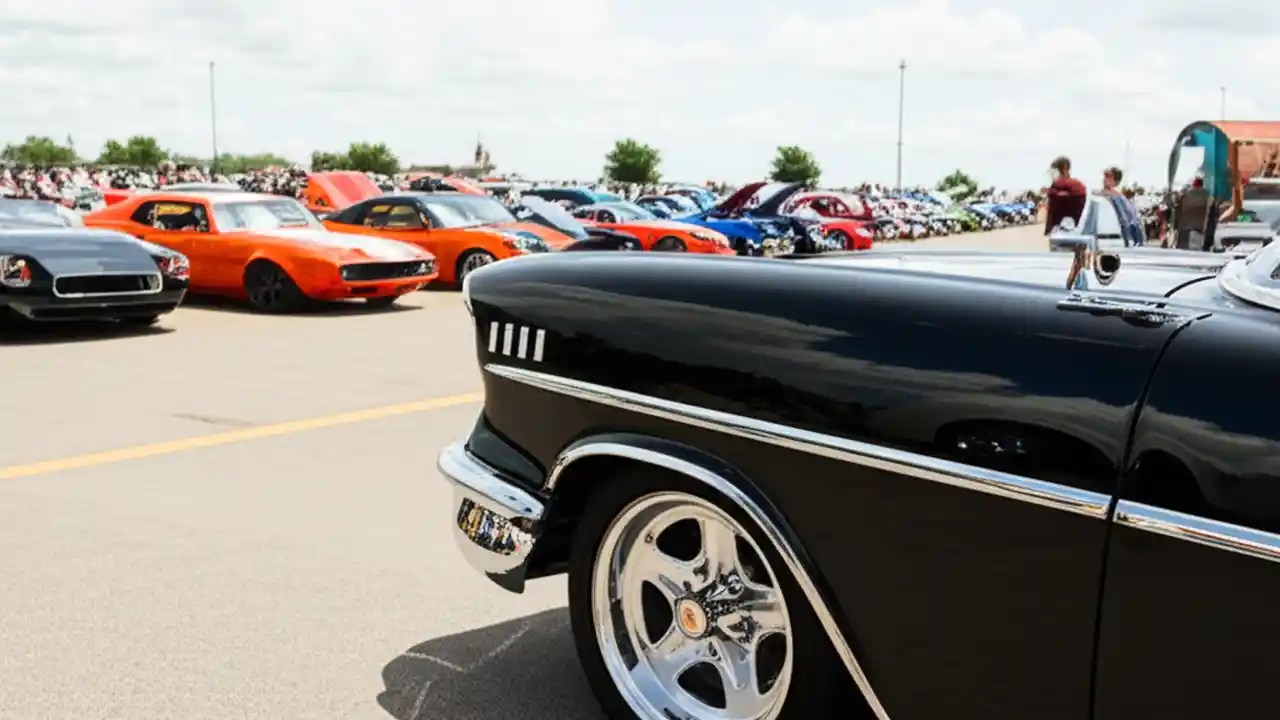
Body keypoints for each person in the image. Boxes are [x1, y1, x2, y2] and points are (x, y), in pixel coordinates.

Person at [1100, 167, 1145, 246]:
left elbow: (1125, 218)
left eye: (1108, 177)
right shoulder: (1100, 194)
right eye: (1105, 176)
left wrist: (1127, 239)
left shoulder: (1116, 196)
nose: (1105, 179)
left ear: (1115, 181)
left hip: (1116, 236)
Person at [1044, 156, 1087, 234]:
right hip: (1077, 229)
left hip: (1062, 230)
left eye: (1054, 170)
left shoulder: (1058, 187)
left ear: (1063, 170)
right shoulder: (1078, 185)